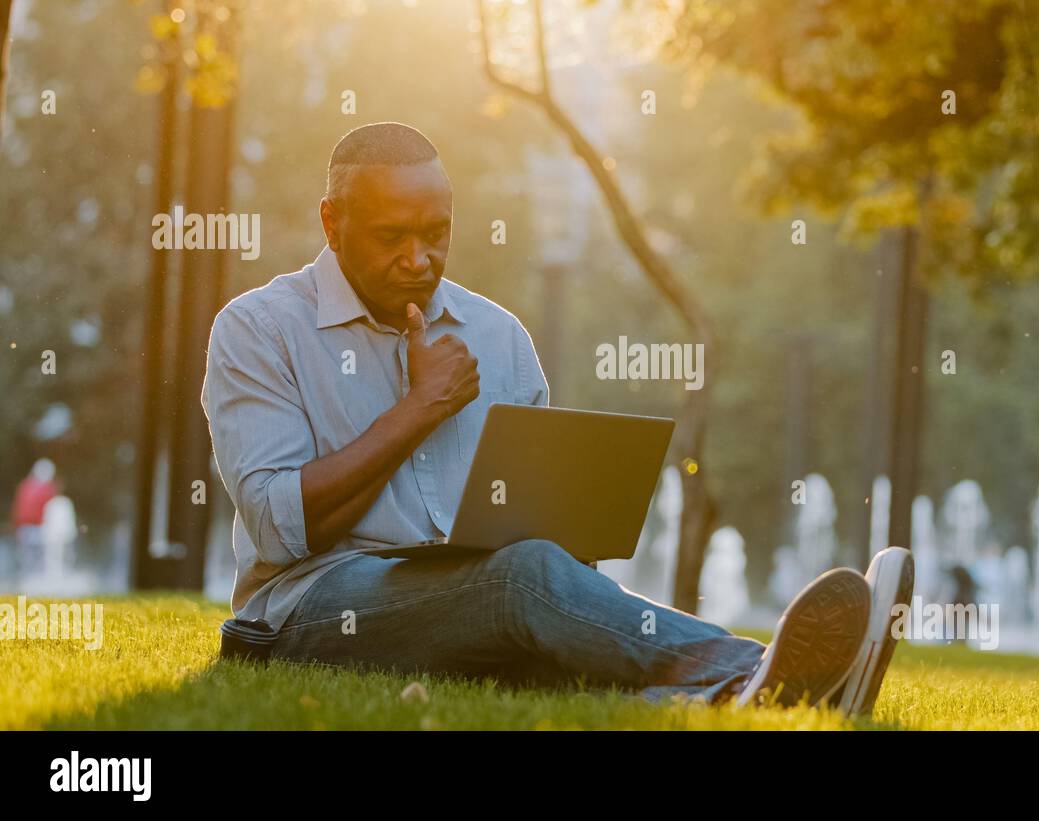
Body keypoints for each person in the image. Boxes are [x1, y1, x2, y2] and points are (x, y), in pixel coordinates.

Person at [202, 122, 914, 711]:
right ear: (332, 222)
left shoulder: (498, 334)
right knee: (520, 578)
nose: (418, 259)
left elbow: (548, 537)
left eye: (437, 233)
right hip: (308, 611)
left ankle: (734, 696)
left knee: (546, 612)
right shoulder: (259, 329)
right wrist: (422, 407)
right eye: (392, 237)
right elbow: (280, 525)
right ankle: (769, 670)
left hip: (476, 603)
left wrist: (570, 545)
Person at [9, 459, 58, 577]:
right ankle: (32, 582)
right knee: (37, 558)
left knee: (29, 558)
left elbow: (18, 508)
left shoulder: (25, 486)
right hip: (37, 527)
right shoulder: (47, 488)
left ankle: (29, 580)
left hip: (26, 527)